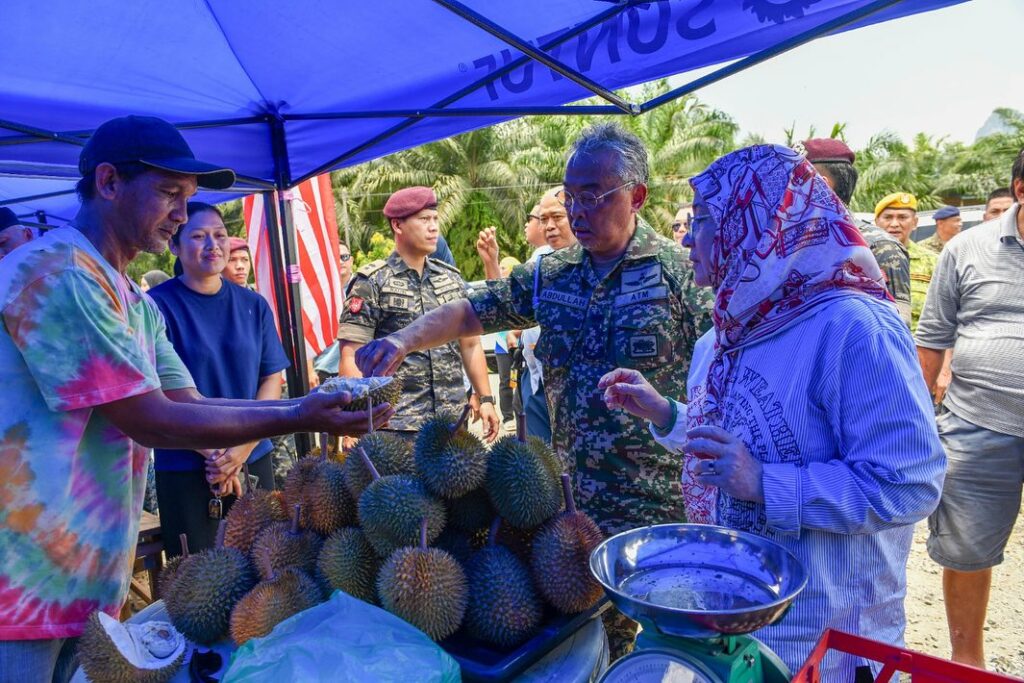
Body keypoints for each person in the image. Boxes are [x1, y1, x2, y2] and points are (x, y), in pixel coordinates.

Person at [0, 115, 391, 683]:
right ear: (108, 183)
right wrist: (301, 414)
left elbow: (188, 400)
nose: (183, 215)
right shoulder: (59, 272)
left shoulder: (134, 299)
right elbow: (151, 422)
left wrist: (306, 404)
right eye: (168, 194)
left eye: (188, 198)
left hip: (83, 576)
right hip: (22, 577)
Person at [356, 124, 712, 657]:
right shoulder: (553, 275)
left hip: (658, 506)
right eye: (570, 197)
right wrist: (404, 339)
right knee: (593, 646)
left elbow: (727, 380)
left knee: (669, 649)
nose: (577, 210)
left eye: (593, 196)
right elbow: (474, 310)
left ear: (636, 195)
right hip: (567, 507)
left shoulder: (681, 275)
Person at [600, 144, 944, 679]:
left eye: (706, 221)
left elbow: (910, 482)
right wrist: (667, 414)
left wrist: (766, 483)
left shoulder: (853, 327)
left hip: (829, 641)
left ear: (758, 224)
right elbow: (744, 441)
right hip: (731, 622)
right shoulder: (723, 334)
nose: (687, 237)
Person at [915, 150, 1024, 669]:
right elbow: (932, 338)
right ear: (1021, 191)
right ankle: (967, 664)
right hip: (978, 426)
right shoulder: (966, 249)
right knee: (966, 551)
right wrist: (915, 425)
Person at [148, 202, 290, 556]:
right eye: (198, 236)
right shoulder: (154, 307)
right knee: (198, 579)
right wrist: (215, 455)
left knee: (265, 569)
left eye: (220, 235)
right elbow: (156, 391)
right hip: (186, 463)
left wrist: (239, 451)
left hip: (252, 456)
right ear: (175, 246)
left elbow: (272, 378)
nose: (213, 244)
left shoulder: (252, 304)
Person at [338, 186, 500, 444]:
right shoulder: (371, 282)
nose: (433, 227)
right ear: (398, 226)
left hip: (452, 422)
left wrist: (486, 398)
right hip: (395, 426)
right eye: (424, 219)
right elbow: (351, 356)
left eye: (435, 219)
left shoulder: (450, 278)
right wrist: (355, 420)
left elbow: (470, 344)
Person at [800, 138, 912, 325]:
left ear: (820, 186)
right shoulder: (797, 247)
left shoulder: (879, 247)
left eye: (794, 181)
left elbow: (897, 329)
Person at [875, 191, 937, 332]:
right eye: (888, 217)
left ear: (915, 222)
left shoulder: (932, 262)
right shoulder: (863, 260)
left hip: (920, 347)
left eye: (903, 217)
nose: (895, 224)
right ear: (876, 222)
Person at [312, 242, 354, 382]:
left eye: (345, 257)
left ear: (351, 260)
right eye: (337, 257)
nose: (341, 261)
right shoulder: (318, 293)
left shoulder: (364, 288)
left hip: (355, 371)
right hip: (322, 371)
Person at [492, 255, 522, 429]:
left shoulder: (520, 290)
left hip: (519, 342)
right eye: (500, 267)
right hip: (501, 344)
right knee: (505, 381)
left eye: (504, 267)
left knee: (519, 380)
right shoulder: (499, 291)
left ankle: (521, 416)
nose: (501, 270)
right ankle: (507, 417)